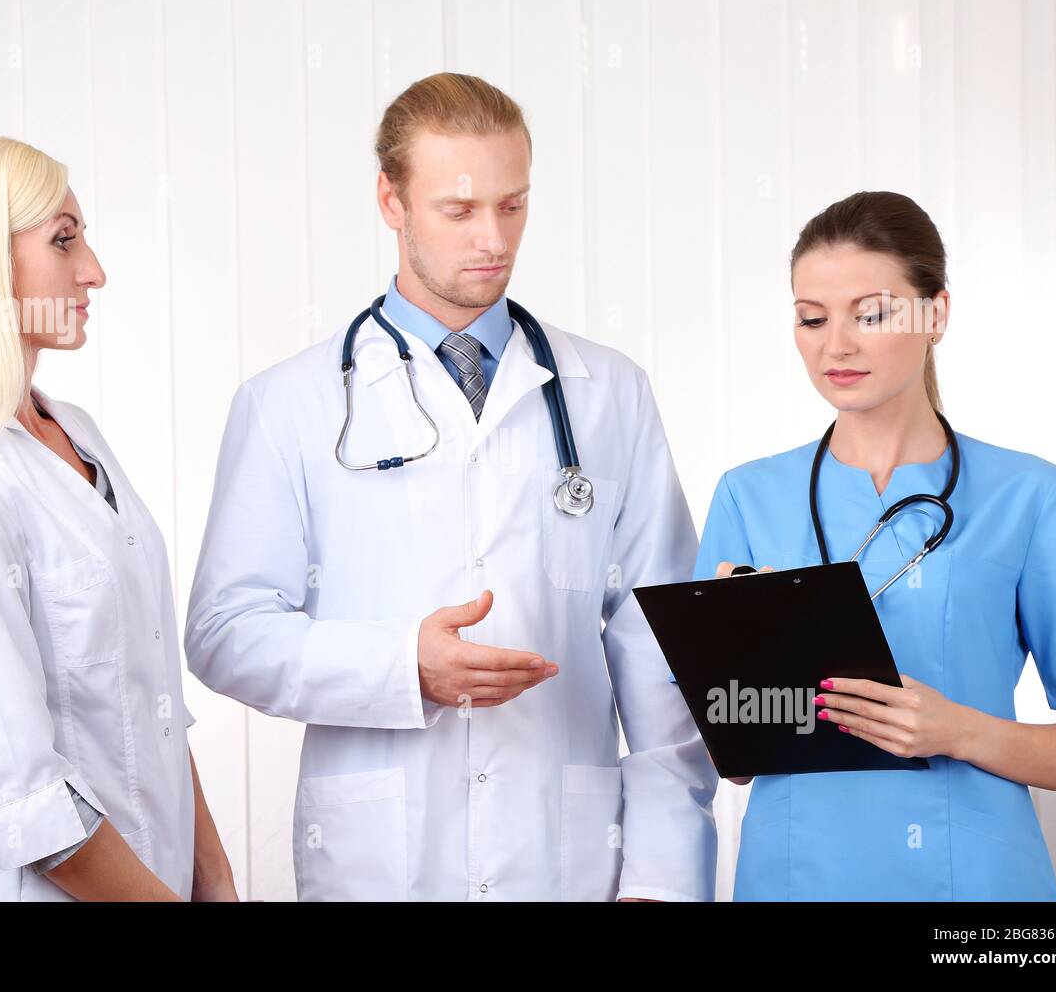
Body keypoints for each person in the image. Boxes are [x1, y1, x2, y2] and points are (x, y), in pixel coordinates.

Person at [185, 73, 717, 901]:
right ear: (390, 201)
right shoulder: (287, 403)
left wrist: (660, 877)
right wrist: (402, 666)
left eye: (513, 205)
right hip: (379, 860)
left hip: (572, 861)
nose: (493, 239)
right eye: (459, 211)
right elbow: (225, 632)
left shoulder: (609, 392)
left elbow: (661, 648)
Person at [0, 134, 236, 901]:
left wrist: (214, 881)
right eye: (64, 239)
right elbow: (26, 803)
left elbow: (151, 702)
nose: (94, 270)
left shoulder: (77, 432)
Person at [694, 189, 1056, 900]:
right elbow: (731, 760)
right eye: (812, 318)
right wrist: (740, 682)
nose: (837, 345)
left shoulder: (1029, 495)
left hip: (976, 889)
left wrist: (958, 732)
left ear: (936, 314)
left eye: (872, 314)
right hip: (796, 878)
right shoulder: (748, 495)